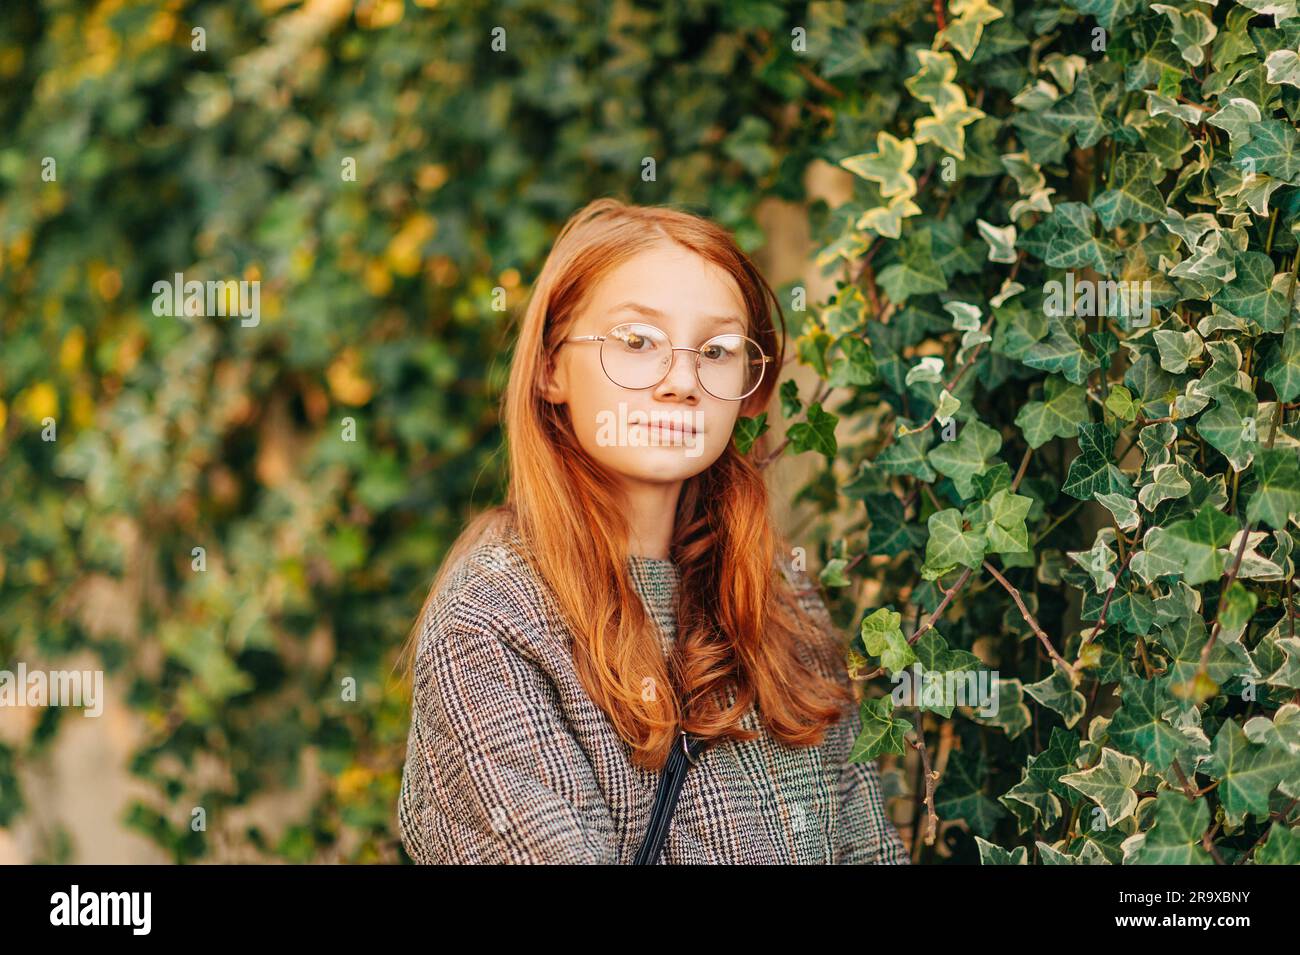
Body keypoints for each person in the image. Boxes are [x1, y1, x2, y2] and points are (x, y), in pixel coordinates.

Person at [397, 198, 909, 864]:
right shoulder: (492, 621)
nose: (682, 381)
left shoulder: (781, 598)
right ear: (552, 367)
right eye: (637, 341)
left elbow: (868, 848)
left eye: (718, 350)